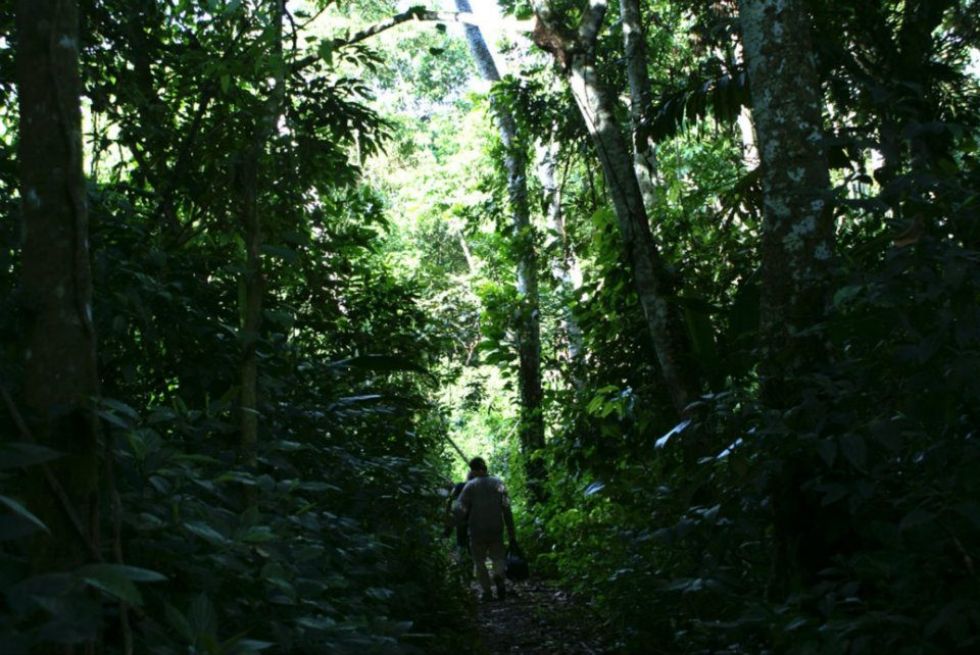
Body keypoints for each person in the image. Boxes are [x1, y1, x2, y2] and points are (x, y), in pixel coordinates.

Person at [454, 457, 518, 601]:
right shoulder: (499, 484)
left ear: (473, 470)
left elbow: (460, 509)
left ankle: (487, 592)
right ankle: (498, 575)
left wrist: (455, 522)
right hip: (496, 528)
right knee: (498, 557)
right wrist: (511, 531)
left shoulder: (470, 486)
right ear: (485, 468)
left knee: (479, 561)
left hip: (477, 530)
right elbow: (507, 508)